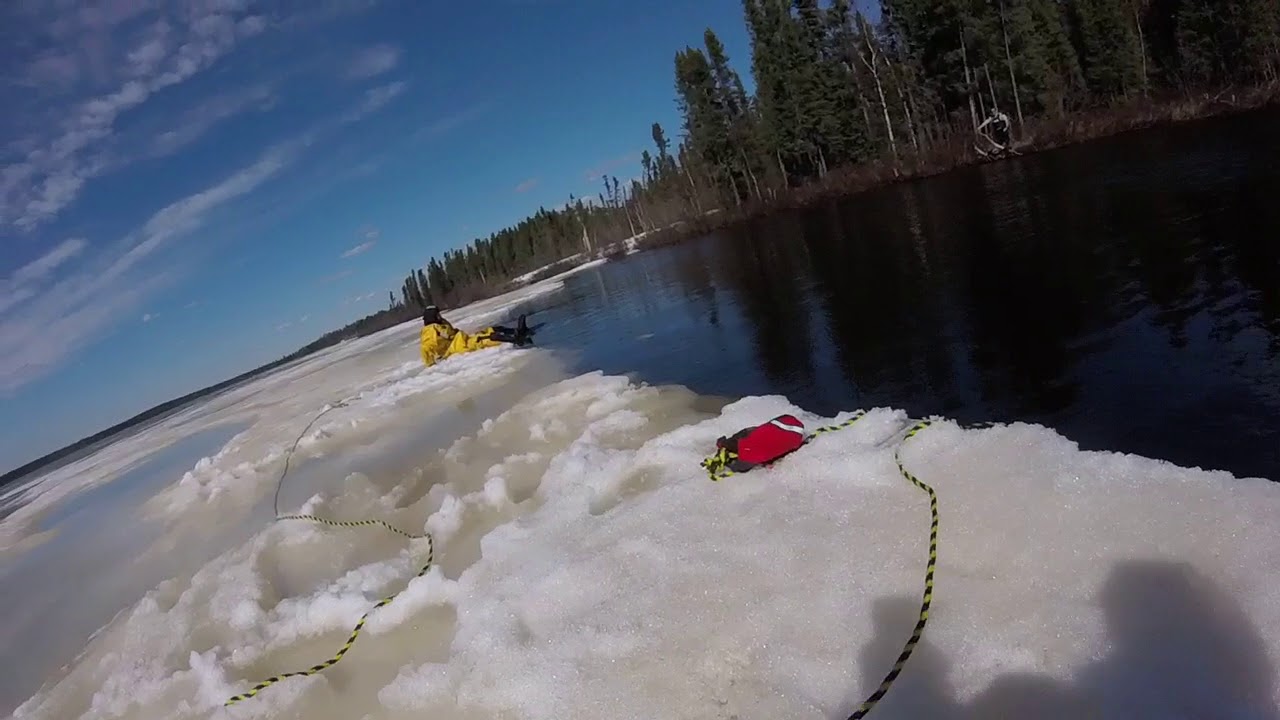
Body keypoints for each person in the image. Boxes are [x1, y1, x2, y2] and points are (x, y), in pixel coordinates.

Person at [419, 306, 533, 367]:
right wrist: (432, 364)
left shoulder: (434, 328)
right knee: (484, 338)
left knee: (487, 331)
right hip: (458, 346)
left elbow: (450, 333)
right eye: (438, 315)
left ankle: (516, 331)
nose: (440, 316)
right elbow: (446, 335)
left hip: (459, 341)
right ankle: (516, 338)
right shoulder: (433, 328)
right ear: (434, 317)